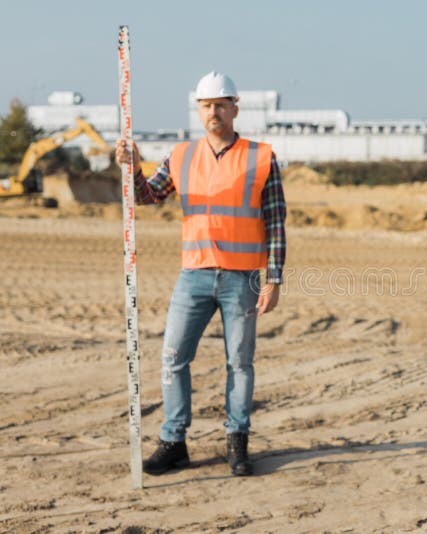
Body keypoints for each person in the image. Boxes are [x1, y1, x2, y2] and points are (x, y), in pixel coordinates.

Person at [115, 71, 287, 477]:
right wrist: (133, 167)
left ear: (234, 108)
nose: (214, 112)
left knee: (240, 363)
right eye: (207, 106)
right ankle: (174, 443)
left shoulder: (261, 156)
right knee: (173, 358)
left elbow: (275, 222)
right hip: (193, 274)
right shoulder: (181, 156)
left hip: (243, 277)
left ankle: (237, 443)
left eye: (221, 105)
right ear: (198, 110)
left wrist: (274, 278)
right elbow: (148, 196)